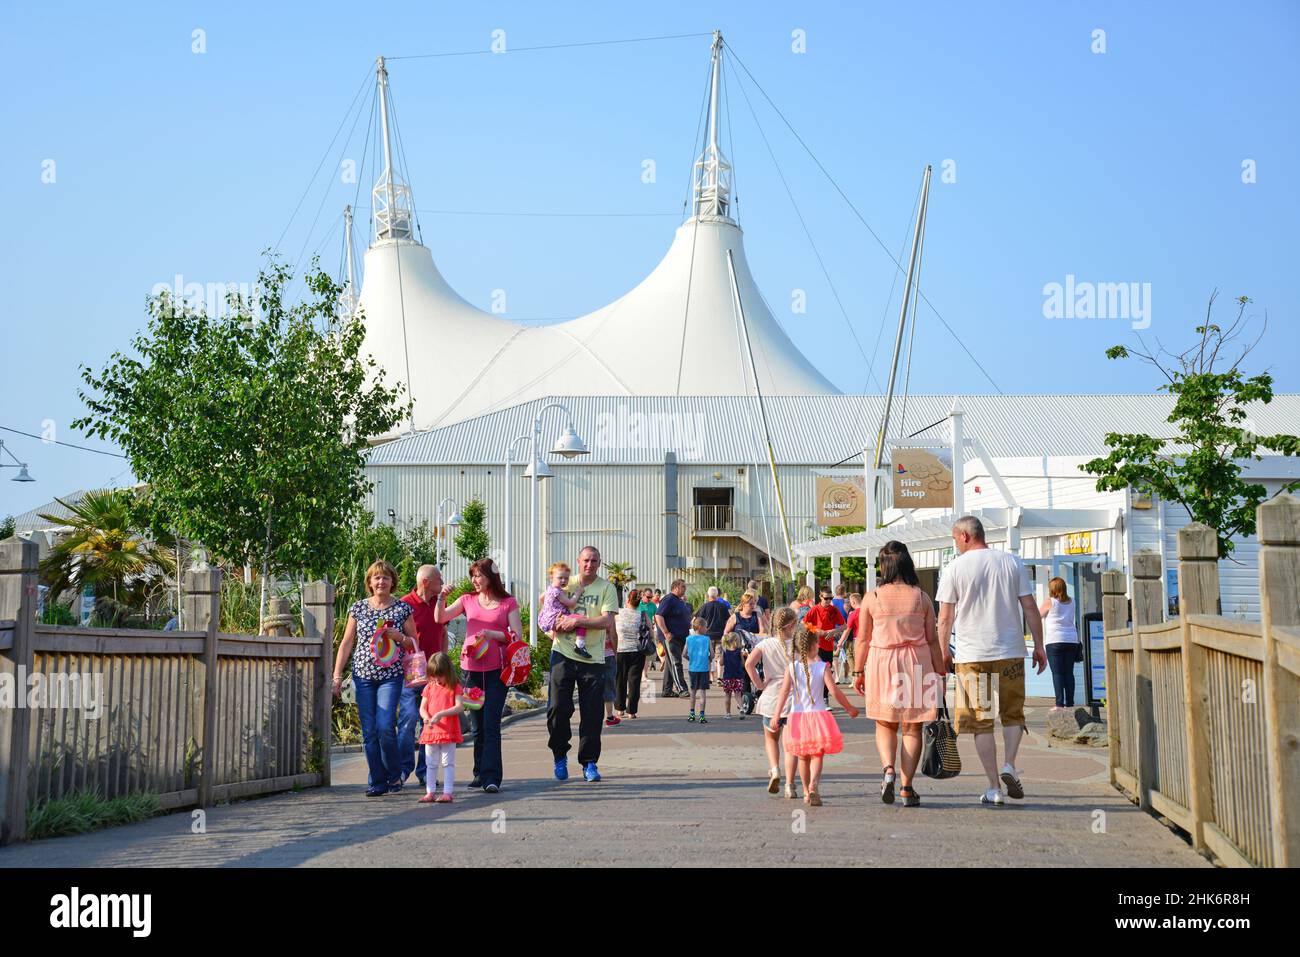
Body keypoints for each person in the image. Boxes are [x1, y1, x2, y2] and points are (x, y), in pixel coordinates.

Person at [936, 516, 1047, 805]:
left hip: (973, 655)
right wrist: (1039, 645)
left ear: (964, 536)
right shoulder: (1012, 562)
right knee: (1013, 713)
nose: (954, 544)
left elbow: (945, 616)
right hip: (1010, 650)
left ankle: (994, 787)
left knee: (981, 722)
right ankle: (1010, 764)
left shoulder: (954, 568)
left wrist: (943, 651)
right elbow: (1030, 607)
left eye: (954, 539)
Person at [853, 542, 945, 808]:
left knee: (885, 722)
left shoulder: (873, 597)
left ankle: (888, 770)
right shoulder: (921, 596)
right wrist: (939, 671)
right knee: (913, 726)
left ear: (884, 566)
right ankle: (907, 787)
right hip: (915, 662)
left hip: (882, 661)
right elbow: (932, 640)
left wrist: (858, 671)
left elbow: (862, 639)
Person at [331, 560, 420, 796]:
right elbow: (347, 643)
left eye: (386, 578)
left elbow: (414, 643)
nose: (381, 582)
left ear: (393, 582)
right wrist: (337, 675)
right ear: (370, 583)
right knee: (369, 731)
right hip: (363, 677)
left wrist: (399, 637)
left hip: (391, 677)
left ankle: (394, 773)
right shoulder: (358, 608)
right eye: (376, 578)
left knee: (385, 728)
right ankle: (378, 782)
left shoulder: (402, 609)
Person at [434, 558, 521, 794]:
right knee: (477, 725)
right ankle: (479, 773)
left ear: (491, 577)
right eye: (472, 575)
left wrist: (492, 634)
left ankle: (492, 777)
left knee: (491, 723)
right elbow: (440, 618)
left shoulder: (508, 603)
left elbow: (517, 636)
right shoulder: (467, 600)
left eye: (478, 575)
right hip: (471, 672)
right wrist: (441, 597)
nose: (474, 580)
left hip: (497, 673)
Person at [548, 545, 618, 782]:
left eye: (594, 561)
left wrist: (579, 621)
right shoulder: (565, 581)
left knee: (592, 714)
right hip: (562, 654)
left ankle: (589, 763)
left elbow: (607, 620)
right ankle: (559, 755)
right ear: (578, 561)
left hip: (593, 658)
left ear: (599, 563)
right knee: (558, 709)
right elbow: (548, 609)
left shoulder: (606, 588)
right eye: (586, 560)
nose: (590, 565)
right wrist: (556, 625)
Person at [769, 624, 860, 806]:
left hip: (797, 717)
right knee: (817, 754)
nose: (819, 646)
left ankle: (804, 791)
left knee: (803, 756)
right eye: (817, 644)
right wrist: (849, 707)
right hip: (818, 715)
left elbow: (784, 693)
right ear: (812, 647)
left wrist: (776, 715)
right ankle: (813, 785)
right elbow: (833, 690)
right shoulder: (822, 667)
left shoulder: (792, 668)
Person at [398, 564, 448, 787]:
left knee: (430, 723)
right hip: (410, 674)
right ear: (426, 582)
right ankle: (402, 769)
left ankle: (424, 772)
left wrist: (444, 661)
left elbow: (444, 632)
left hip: (434, 673)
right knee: (408, 719)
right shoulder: (404, 604)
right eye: (439, 579)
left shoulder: (439, 603)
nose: (442, 582)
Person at [746, 607, 799, 797]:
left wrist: (759, 685)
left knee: (770, 738)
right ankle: (790, 785)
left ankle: (775, 769)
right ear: (792, 625)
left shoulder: (765, 644)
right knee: (791, 744)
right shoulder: (797, 644)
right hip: (794, 698)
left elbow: (749, 664)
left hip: (771, 696)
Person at [416, 652, 463, 804]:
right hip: (431, 731)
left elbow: (459, 707)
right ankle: (430, 792)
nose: (437, 679)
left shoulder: (455, 686)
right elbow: (422, 707)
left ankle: (447, 792)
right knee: (431, 762)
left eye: (440, 676)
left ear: (447, 672)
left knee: (447, 762)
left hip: (448, 730)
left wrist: (441, 714)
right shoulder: (429, 688)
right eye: (434, 676)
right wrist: (425, 716)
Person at [1040, 576, 1081, 711]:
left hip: (1055, 641)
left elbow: (1038, 614)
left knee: (1057, 673)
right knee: (1069, 672)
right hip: (1071, 640)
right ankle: (1070, 703)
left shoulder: (1050, 602)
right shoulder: (1072, 601)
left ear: (1052, 589)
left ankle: (1059, 704)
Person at [803, 588, 846, 700]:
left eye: (830, 598)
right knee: (818, 672)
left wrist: (833, 631)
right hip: (816, 646)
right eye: (826, 598)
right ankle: (817, 696)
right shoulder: (815, 609)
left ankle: (825, 697)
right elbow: (804, 623)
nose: (828, 601)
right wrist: (817, 631)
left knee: (827, 672)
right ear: (820, 597)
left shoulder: (834, 610)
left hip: (828, 646)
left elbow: (844, 626)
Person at [538, 562, 588, 657]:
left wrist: (547, 609)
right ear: (551, 577)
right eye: (560, 578)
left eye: (566, 578)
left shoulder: (549, 589)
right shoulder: (557, 592)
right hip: (556, 618)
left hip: (548, 619)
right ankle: (580, 644)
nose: (563, 581)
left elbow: (541, 598)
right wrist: (578, 592)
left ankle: (551, 632)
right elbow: (571, 604)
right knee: (580, 620)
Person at [615, 589, 650, 719]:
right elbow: (650, 632)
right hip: (638, 651)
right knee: (634, 681)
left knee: (620, 680)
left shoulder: (618, 613)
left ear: (627, 600)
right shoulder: (642, 614)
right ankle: (632, 711)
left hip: (620, 651)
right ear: (639, 602)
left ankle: (619, 709)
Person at [655, 579, 693, 698]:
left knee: (670, 663)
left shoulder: (678, 600)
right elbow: (658, 615)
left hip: (680, 636)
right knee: (676, 663)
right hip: (671, 637)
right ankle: (682, 689)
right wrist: (666, 632)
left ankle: (667, 690)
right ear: (676, 587)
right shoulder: (669, 599)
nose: (685, 589)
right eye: (683, 587)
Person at [684, 616, 713, 723]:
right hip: (704, 668)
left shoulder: (688, 639)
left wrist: (690, 659)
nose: (707, 629)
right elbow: (712, 654)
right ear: (700, 627)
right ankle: (702, 715)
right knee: (702, 693)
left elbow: (684, 654)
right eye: (705, 627)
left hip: (693, 668)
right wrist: (708, 659)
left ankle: (691, 713)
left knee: (693, 692)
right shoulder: (707, 639)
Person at [696, 586, 731, 668]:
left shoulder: (704, 607)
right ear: (717, 594)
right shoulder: (723, 607)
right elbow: (728, 621)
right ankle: (719, 676)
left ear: (708, 595)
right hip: (720, 634)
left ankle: (709, 677)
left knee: (708, 656)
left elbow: (699, 621)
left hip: (707, 635)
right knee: (719, 656)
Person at [718, 632, 747, 719]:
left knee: (727, 696)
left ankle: (728, 714)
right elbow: (743, 664)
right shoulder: (739, 652)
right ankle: (741, 708)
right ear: (735, 641)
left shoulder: (725, 652)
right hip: (738, 677)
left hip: (727, 677)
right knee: (738, 695)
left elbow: (721, 663)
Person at [836, 592, 862, 683]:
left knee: (857, 661)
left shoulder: (853, 614)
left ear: (854, 602)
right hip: (870, 640)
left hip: (857, 640)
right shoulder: (868, 611)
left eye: (851, 602)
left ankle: (857, 680)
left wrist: (840, 642)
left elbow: (847, 630)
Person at [638, 587, 659, 672]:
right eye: (648, 597)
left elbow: (657, 618)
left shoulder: (653, 605)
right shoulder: (638, 605)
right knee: (639, 653)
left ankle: (645, 673)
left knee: (647, 653)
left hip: (648, 631)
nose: (650, 599)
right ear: (643, 595)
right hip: (639, 631)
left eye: (651, 597)